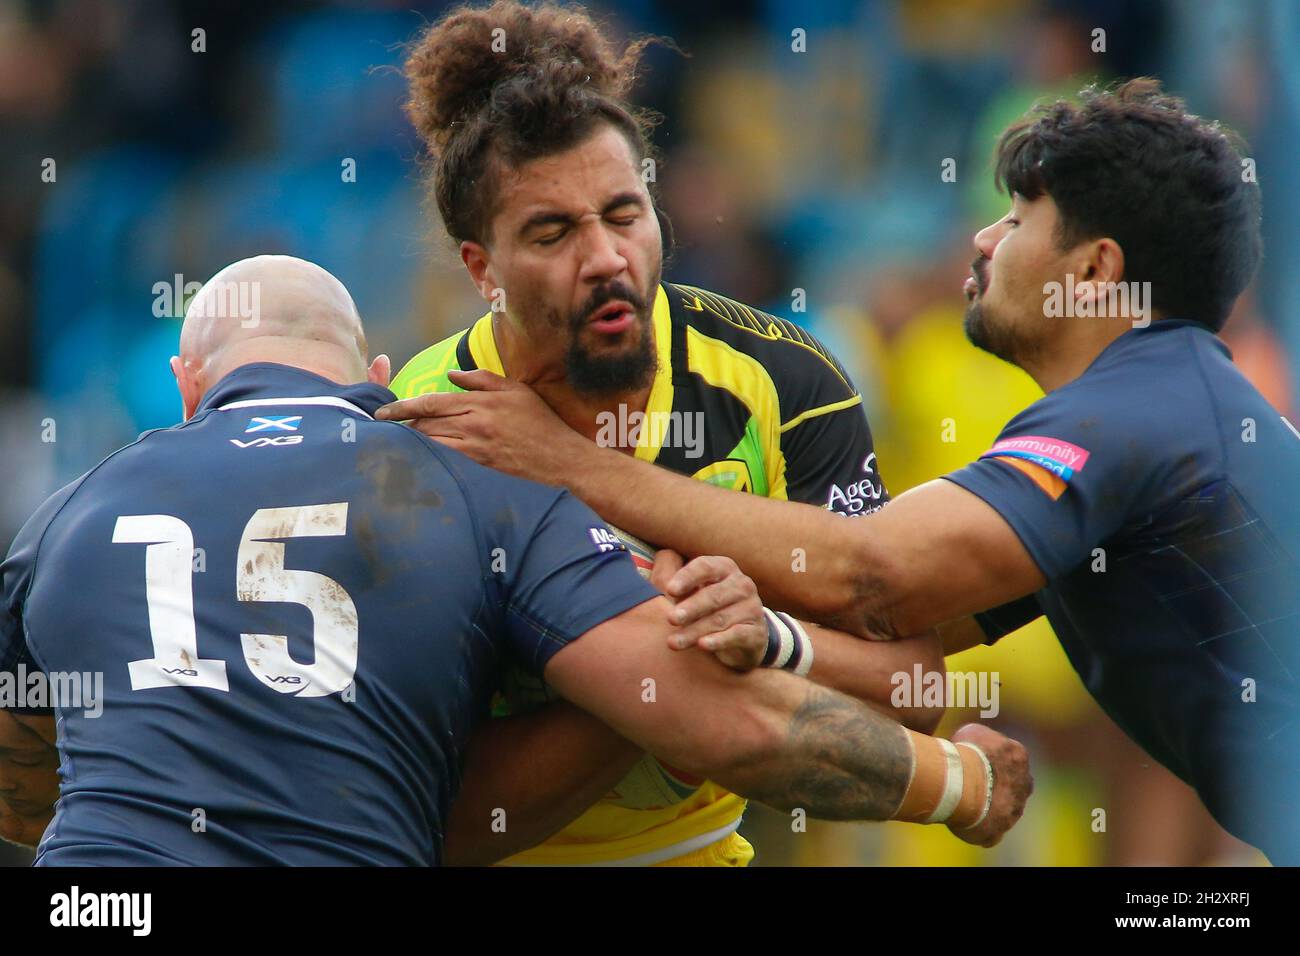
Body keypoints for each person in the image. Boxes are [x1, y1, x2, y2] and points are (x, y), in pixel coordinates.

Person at [385, 78, 1300, 863]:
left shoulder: (1132, 416)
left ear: (1095, 270)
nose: (982, 241)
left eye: (1018, 220)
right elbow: (893, 632)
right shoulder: (1162, 404)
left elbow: (868, 571)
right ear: (482, 266)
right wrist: (761, 633)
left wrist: (566, 466)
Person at [0, 255, 1032, 865]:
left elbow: (20, 775)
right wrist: (958, 782)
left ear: (186, 387)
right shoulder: (469, 482)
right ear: (369, 377)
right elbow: (731, 718)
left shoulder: (66, 514)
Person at [382, 0, 957, 866]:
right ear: (481, 269)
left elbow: (916, 689)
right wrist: (659, 654)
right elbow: (422, 791)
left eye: (624, 214)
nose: (607, 258)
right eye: (553, 231)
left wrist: (769, 634)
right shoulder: (414, 423)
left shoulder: (785, 380)